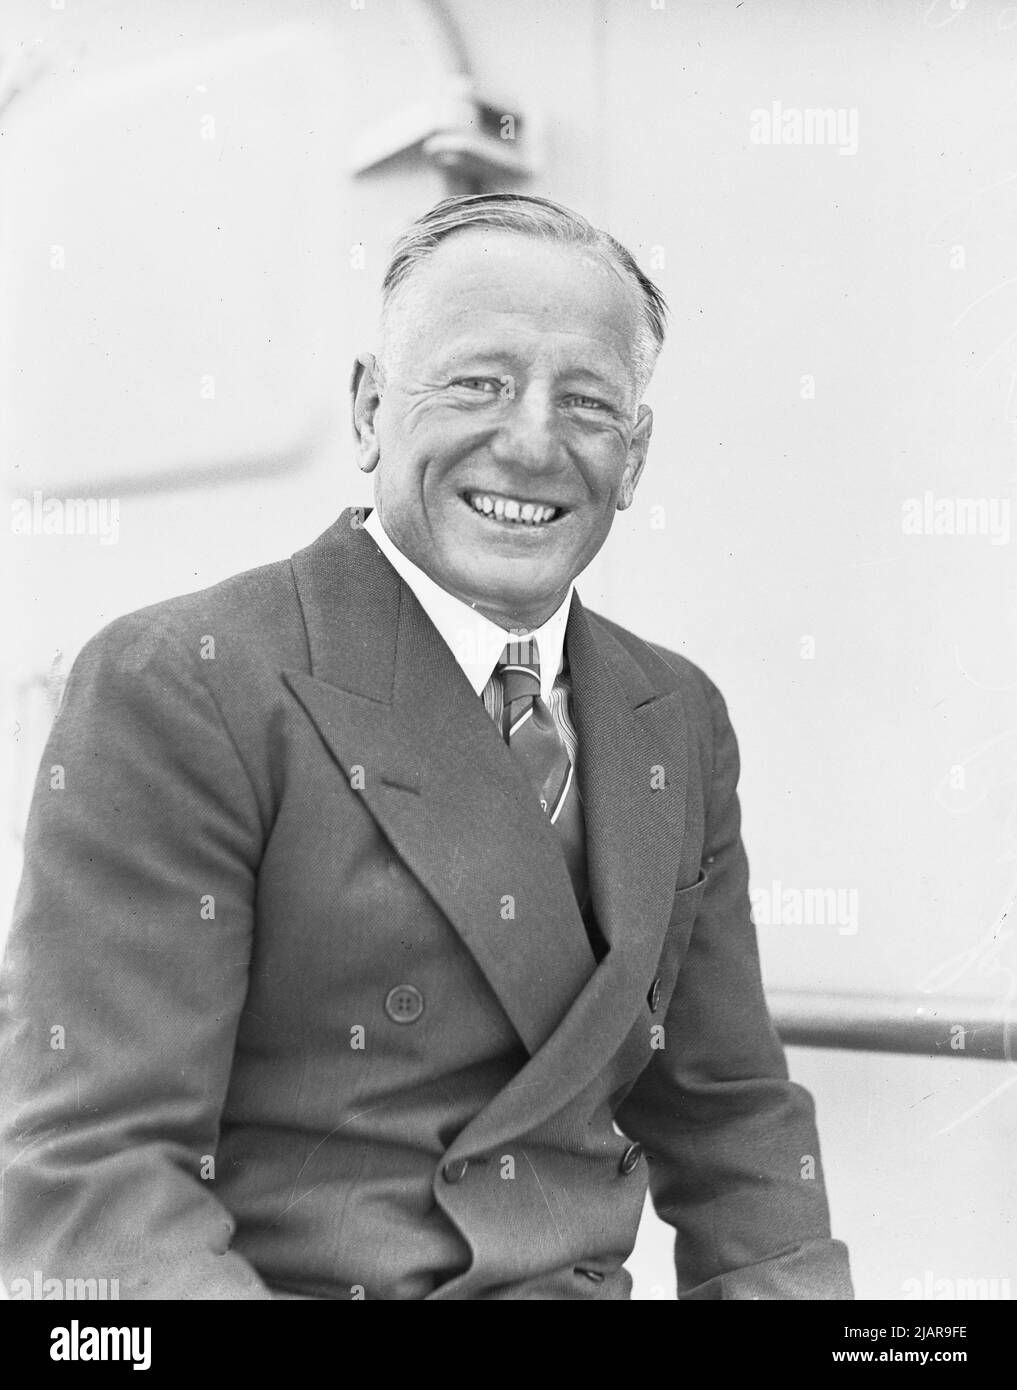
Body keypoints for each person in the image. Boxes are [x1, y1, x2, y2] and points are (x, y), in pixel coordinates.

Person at [0, 193, 852, 1300]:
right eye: (476, 383)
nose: (533, 441)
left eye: (587, 402)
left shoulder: (676, 715)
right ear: (367, 411)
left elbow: (733, 1116)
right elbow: (94, 1176)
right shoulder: (184, 682)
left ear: (633, 457)